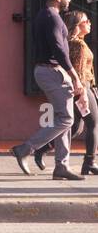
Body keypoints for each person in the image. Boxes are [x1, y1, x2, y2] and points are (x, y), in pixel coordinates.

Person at [11, 0, 87, 180]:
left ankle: (61, 166)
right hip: (51, 71)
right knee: (67, 119)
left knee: (64, 118)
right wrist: (75, 76)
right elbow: (59, 51)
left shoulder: (45, 16)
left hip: (50, 71)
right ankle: (25, 149)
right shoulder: (51, 18)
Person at [35, 10, 98, 174]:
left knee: (75, 127)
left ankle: (41, 149)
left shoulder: (71, 42)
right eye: (86, 21)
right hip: (82, 86)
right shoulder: (78, 44)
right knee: (93, 124)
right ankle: (90, 162)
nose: (89, 23)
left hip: (81, 86)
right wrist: (83, 93)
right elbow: (78, 70)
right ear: (77, 25)